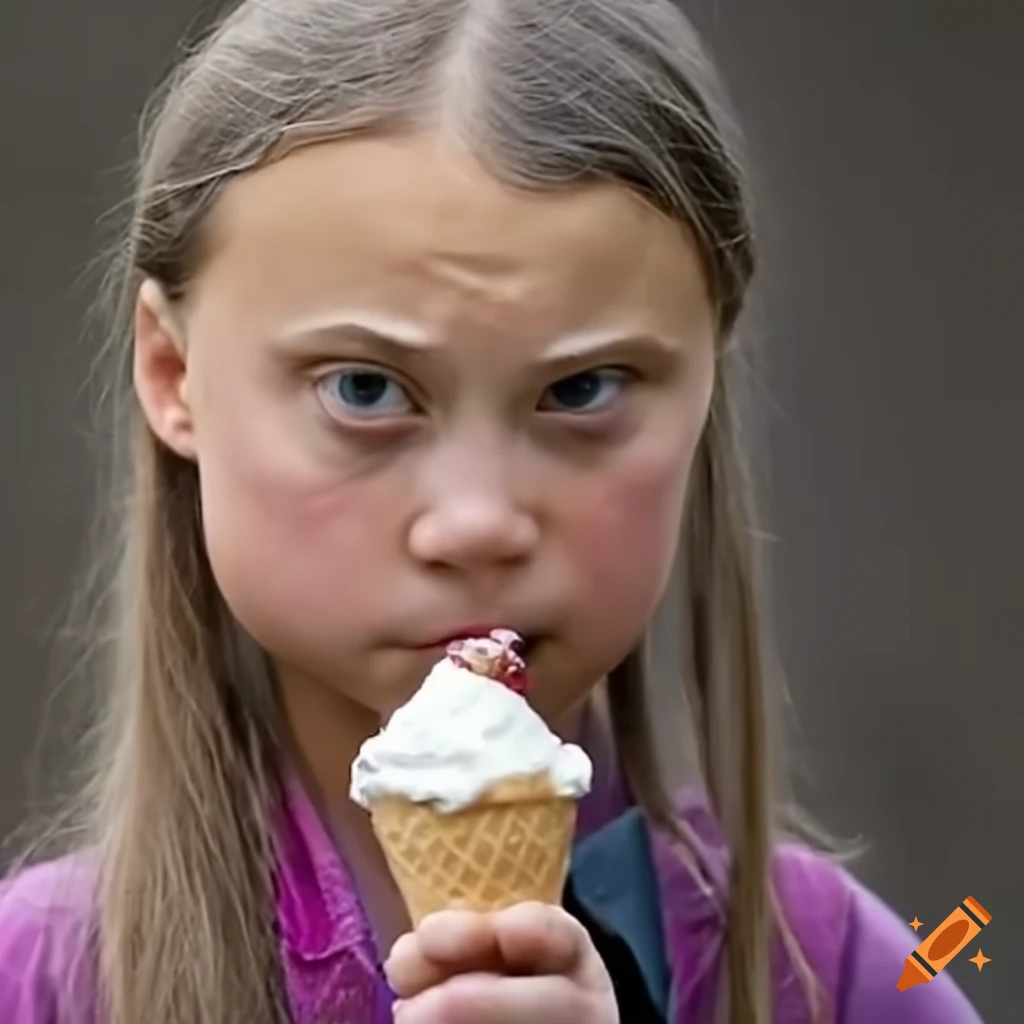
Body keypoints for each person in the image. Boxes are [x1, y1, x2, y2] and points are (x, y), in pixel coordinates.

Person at [0, 1, 986, 1022]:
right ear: (173, 372)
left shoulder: (843, 975)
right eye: (364, 389)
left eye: (582, 389)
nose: (475, 522)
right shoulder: (36, 982)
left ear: (704, 385)